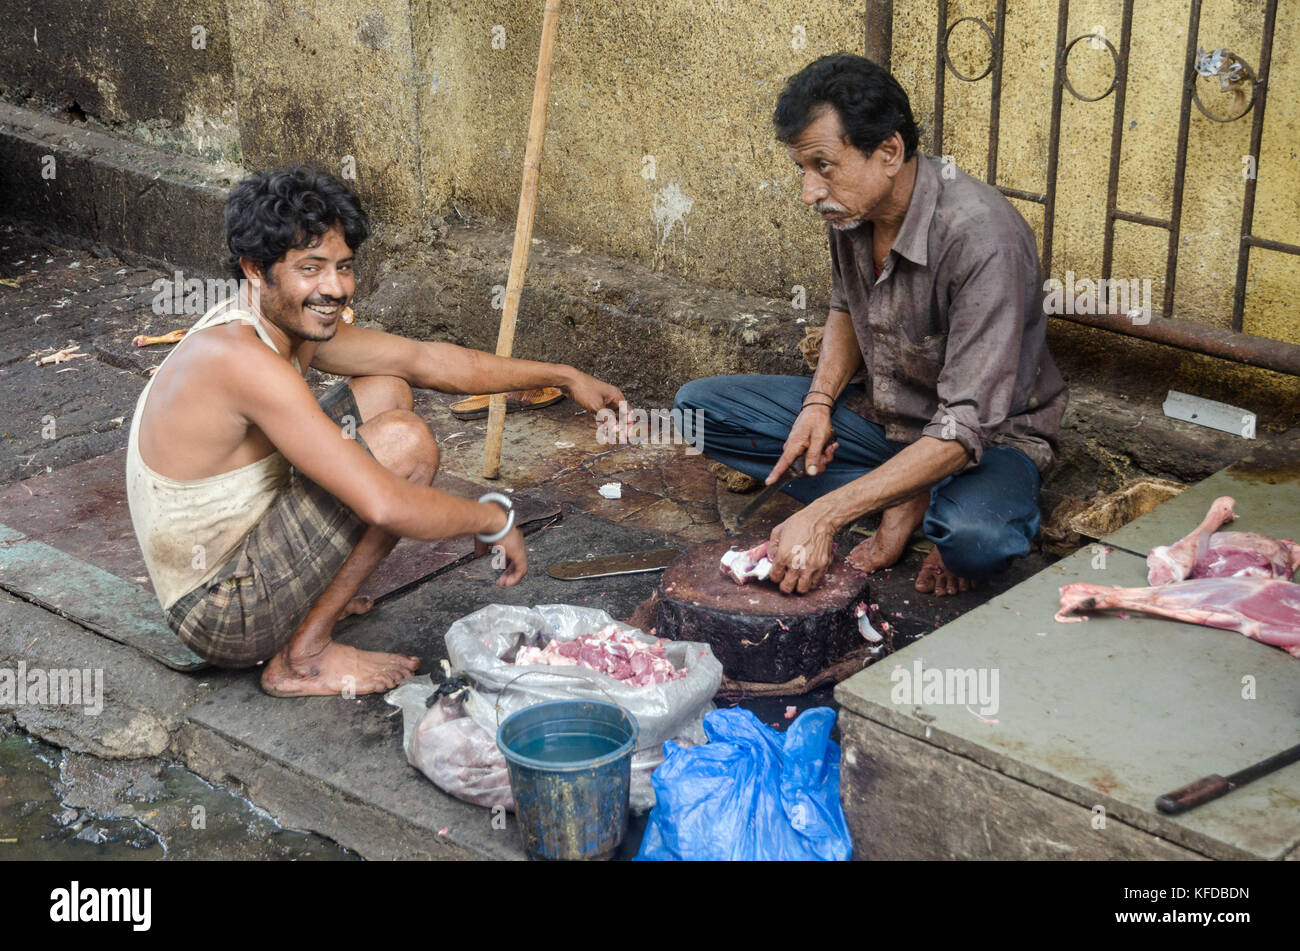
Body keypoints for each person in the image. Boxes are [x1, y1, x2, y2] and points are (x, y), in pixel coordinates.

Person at [127, 166, 624, 697]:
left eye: (344, 267)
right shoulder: (241, 359)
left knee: (387, 389)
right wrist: (490, 518)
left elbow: (423, 360)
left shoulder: (280, 321)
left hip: (249, 551)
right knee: (404, 443)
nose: (335, 288)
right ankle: (304, 655)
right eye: (311, 268)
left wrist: (563, 376)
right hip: (222, 611)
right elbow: (385, 504)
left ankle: (309, 606)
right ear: (255, 268)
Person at [675, 54, 1068, 597]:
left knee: (976, 541)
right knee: (699, 410)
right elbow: (845, 305)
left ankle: (924, 498)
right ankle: (906, 493)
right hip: (888, 424)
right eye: (802, 170)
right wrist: (818, 403)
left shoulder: (983, 239)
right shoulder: (852, 211)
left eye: (823, 166)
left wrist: (826, 516)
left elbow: (966, 425)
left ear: (889, 152)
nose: (810, 192)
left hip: (982, 442)